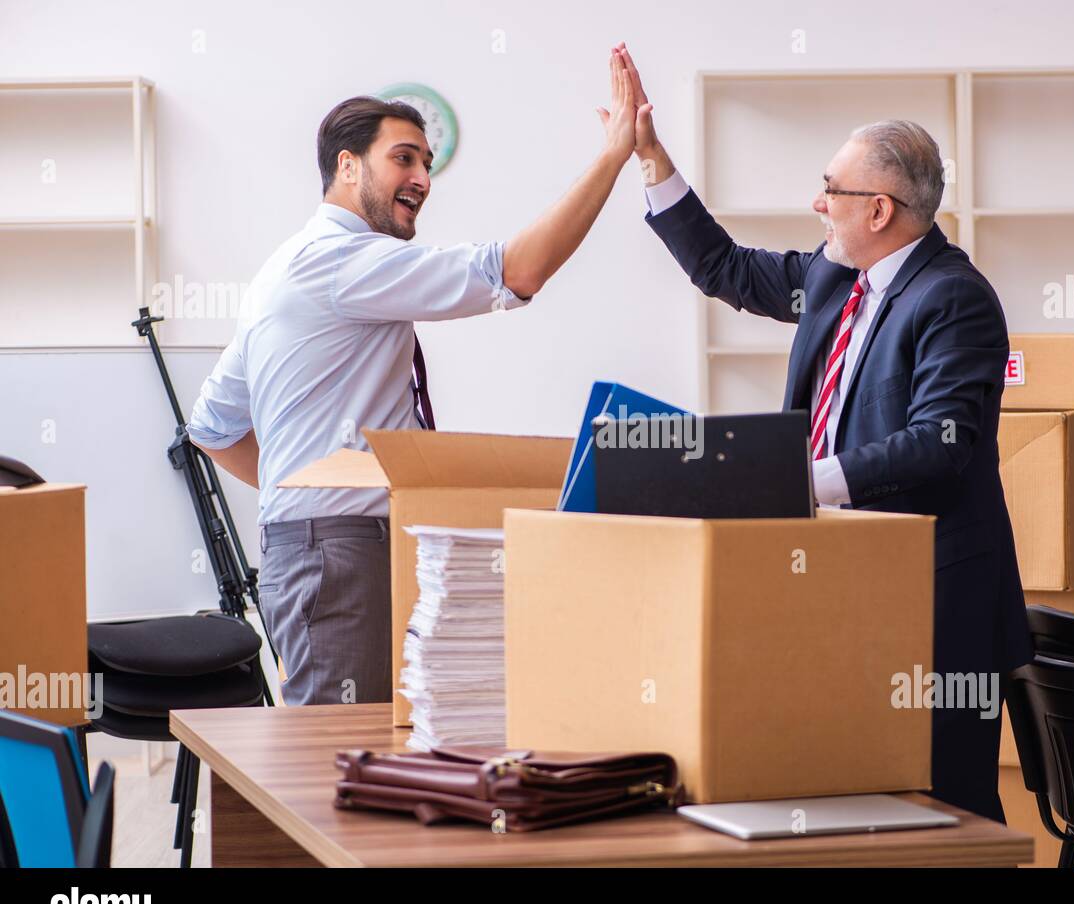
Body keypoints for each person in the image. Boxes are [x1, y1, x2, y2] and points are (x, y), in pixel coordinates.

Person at [617, 43, 1031, 822]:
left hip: (938, 600)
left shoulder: (956, 299)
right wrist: (650, 157)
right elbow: (725, 269)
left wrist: (799, 478)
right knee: (858, 788)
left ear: (879, 211)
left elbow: (939, 446)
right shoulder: (834, 275)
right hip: (843, 579)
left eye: (830, 189)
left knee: (949, 803)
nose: (817, 204)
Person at [188, 52, 648, 707]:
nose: (422, 177)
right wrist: (612, 156)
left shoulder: (284, 269)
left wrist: (310, 483)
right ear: (347, 167)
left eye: (427, 163)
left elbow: (212, 426)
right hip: (342, 556)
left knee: (369, 752)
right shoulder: (343, 260)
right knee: (337, 765)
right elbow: (516, 272)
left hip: (324, 546)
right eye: (404, 158)